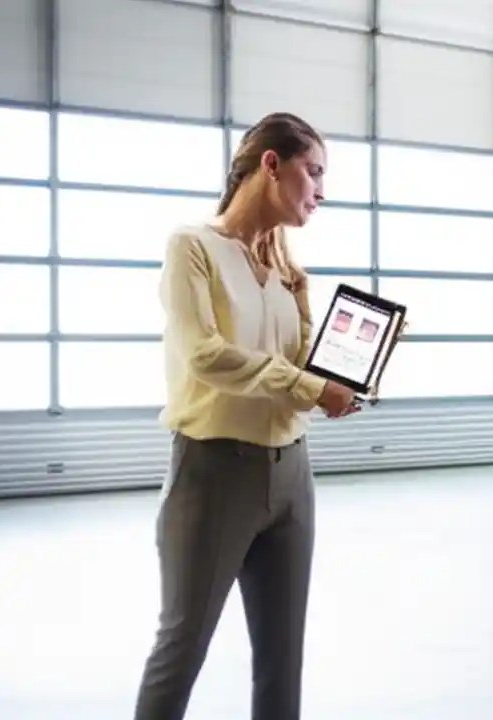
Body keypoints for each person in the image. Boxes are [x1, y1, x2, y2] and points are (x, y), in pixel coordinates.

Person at [134, 112, 358, 720]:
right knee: (181, 645)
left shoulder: (290, 271)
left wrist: (352, 366)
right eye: (313, 173)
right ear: (270, 164)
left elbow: (299, 365)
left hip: (292, 475)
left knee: (283, 658)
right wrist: (310, 386)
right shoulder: (193, 247)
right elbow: (206, 355)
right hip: (212, 472)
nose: (320, 191)